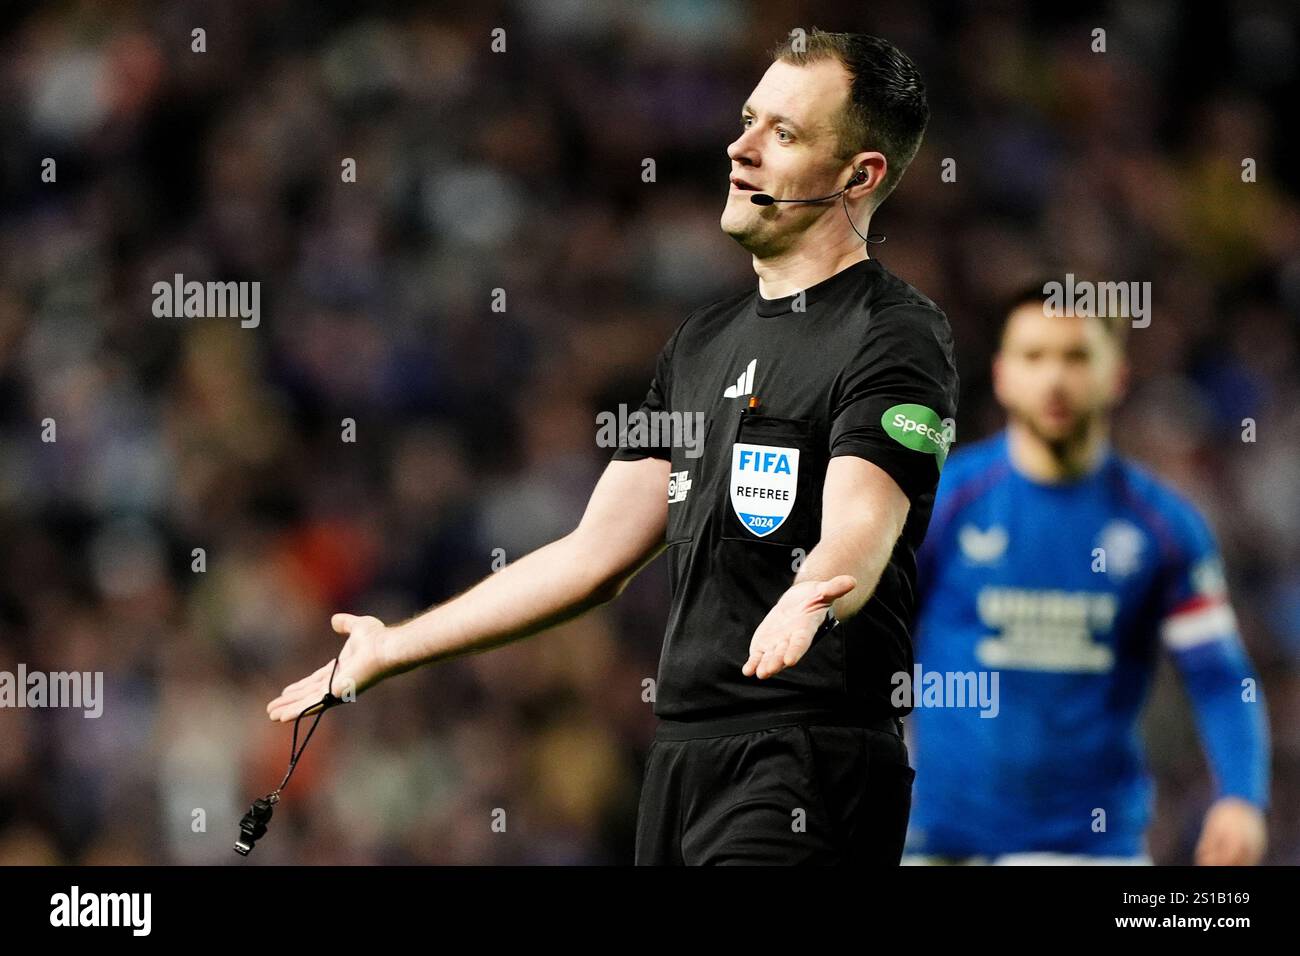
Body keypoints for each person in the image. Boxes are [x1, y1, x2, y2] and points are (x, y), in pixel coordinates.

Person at [267, 30, 958, 865]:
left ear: (860, 175)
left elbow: (863, 526)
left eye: (783, 133)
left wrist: (811, 595)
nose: (738, 147)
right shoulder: (698, 345)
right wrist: (392, 649)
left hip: (806, 756)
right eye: (746, 119)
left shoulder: (894, 333)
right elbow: (593, 555)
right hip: (679, 763)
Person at [902, 282, 1270, 865]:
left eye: (1075, 357)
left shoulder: (1162, 526)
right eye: (1033, 356)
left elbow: (1220, 677)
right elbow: (869, 646)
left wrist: (1241, 797)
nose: (1053, 379)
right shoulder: (946, 502)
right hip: (942, 845)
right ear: (1001, 374)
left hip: (1091, 850)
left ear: (1116, 375)